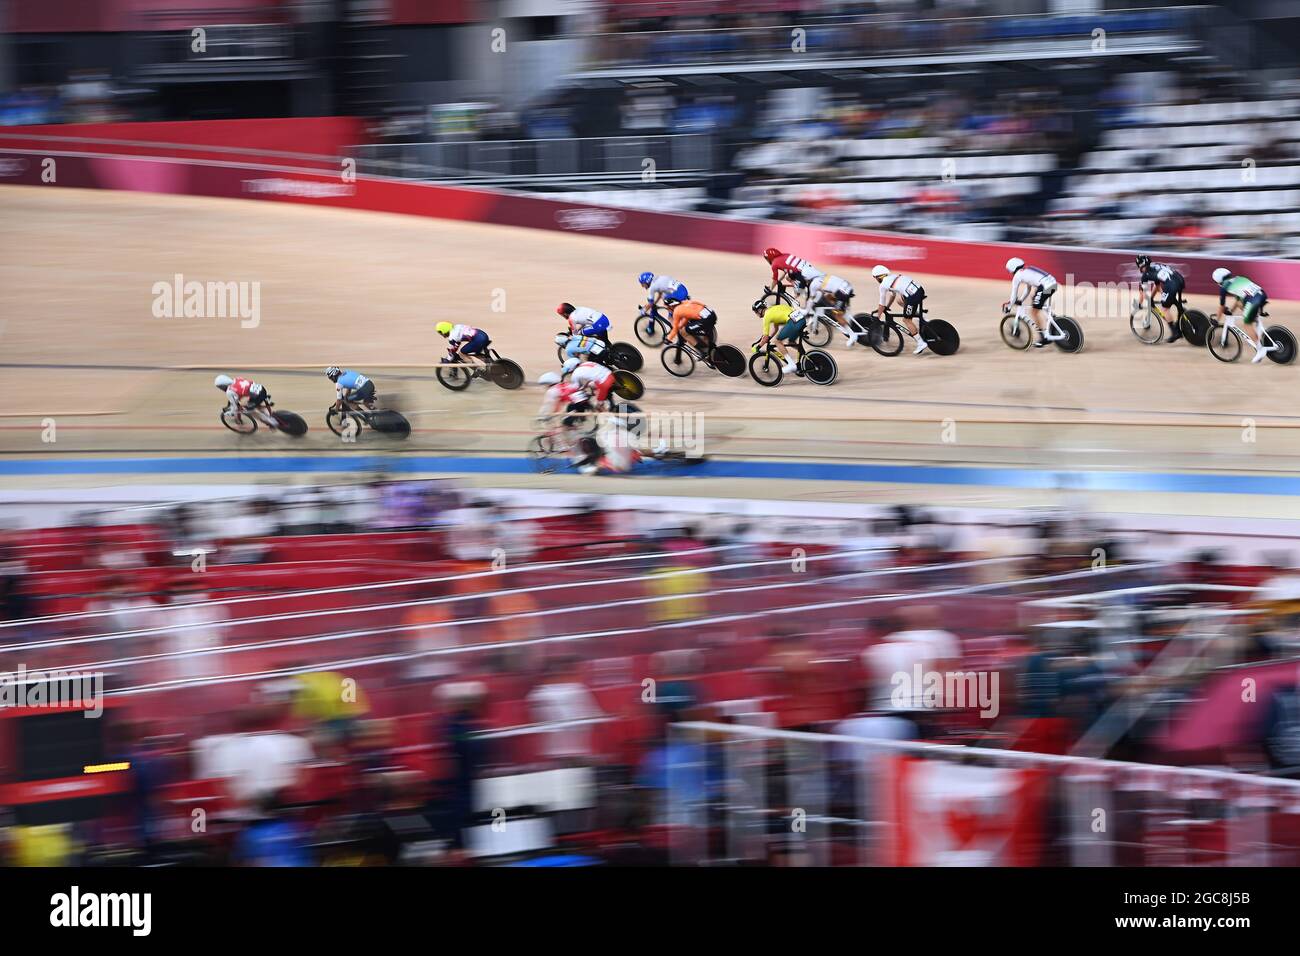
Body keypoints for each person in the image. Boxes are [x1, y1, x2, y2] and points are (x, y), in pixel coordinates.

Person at [1212, 267, 1272, 363]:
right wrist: (1231, 311)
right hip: (1262, 294)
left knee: (1246, 323)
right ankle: (1259, 335)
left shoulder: (1224, 287)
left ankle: (1260, 350)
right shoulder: (1239, 279)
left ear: (1218, 281)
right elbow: (1238, 300)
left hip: (1253, 300)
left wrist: (1217, 320)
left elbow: (1221, 307)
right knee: (1242, 305)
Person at [870, 264, 929, 354]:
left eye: (875, 278)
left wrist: (878, 317)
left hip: (912, 296)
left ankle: (921, 343)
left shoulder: (883, 285)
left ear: (878, 277)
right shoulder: (894, 277)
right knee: (900, 300)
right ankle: (921, 316)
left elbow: (881, 304)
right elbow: (893, 295)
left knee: (906, 320)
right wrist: (888, 307)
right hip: (919, 290)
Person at [1003, 256, 1059, 347]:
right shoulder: (1027, 269)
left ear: (1012, 269)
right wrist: (1021, 299)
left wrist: (1009, 307)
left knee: (1034, 312)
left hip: (1045, 286)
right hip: (1052, 283)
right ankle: (1053, 318)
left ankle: (1044, 338)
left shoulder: (1017, 276)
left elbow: (1013, 295)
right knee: (1036, 299)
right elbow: (1028, 289)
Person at [1134, 255, 1189, 343]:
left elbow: (1142, 293)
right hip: (1180, 280)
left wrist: (1139, 304)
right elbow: (1157, 285)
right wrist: (1151, 298)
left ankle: (1175, 333)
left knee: (1164, 309)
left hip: (1171, 285)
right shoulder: (1155, 265)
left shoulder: (1145, 275)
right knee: (1171, 300)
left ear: (1141, 266)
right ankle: (1181, 312)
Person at [752, 298, 806, 375]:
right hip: (801, 319)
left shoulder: (766, 317)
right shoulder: (773, 309)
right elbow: (775, 329)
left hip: (793, 321)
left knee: (777, 341)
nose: (756, 314)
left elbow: (765, 337)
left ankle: (791, 365)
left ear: (760, 310)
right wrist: (769, 337)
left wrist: (758, 347)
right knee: (791, 342)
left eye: (755, 312)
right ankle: (805, 355)